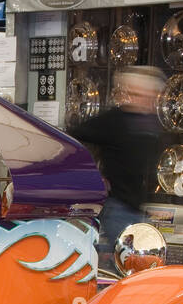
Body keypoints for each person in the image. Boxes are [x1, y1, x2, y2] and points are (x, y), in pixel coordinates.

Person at [67, 66, 164, 262]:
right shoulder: (113, 120)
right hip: (119, 206)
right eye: (137, 94)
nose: (142, 99)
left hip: (138, 207)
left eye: (147, 95)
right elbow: (74, 135)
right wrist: (93, 175)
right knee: (123, 262)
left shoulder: (152, 123)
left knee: (133, 262)